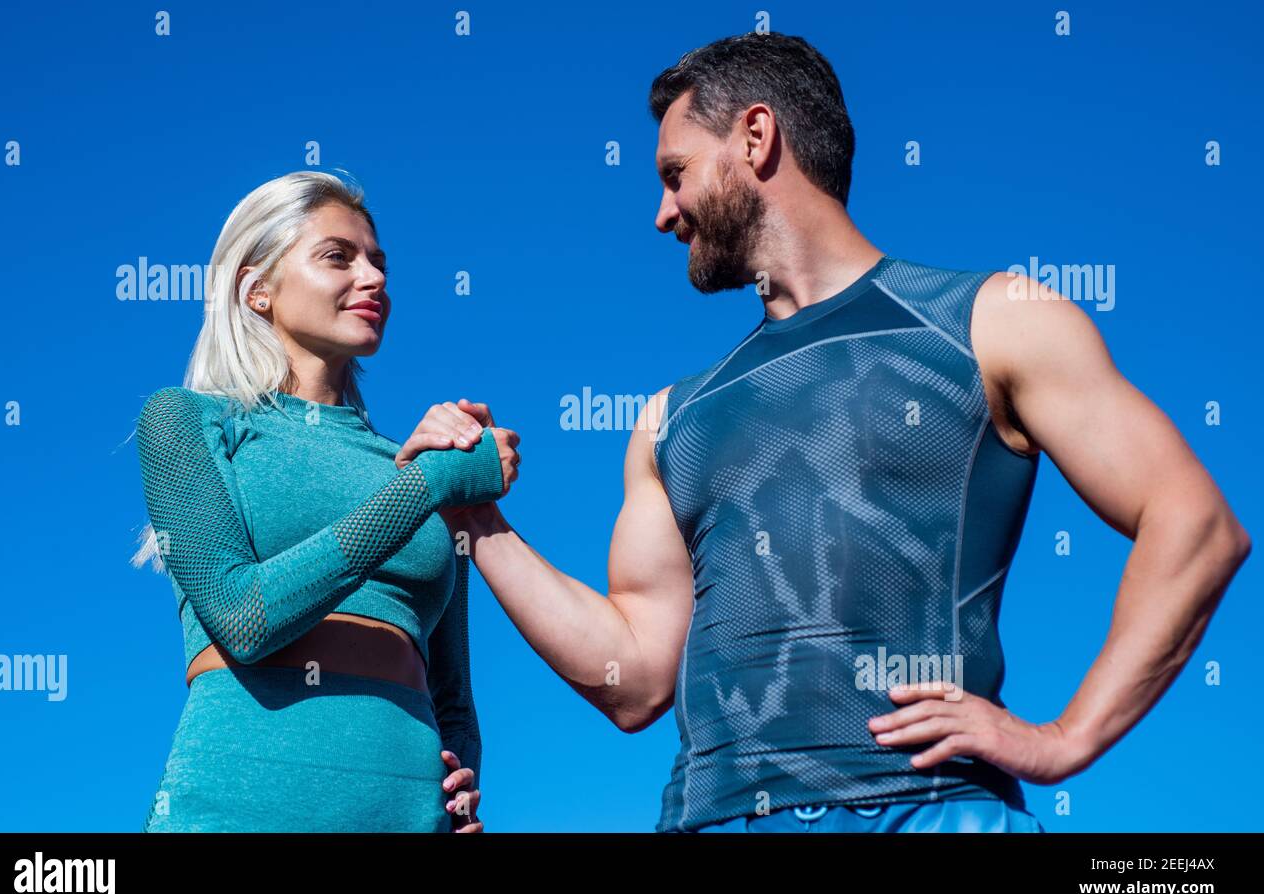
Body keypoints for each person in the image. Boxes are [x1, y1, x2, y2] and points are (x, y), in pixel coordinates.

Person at [412, 33, 1251, 833]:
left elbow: (1196, 526)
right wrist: (477, 525)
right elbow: (631, 681)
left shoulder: (991, 322)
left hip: (930, 808)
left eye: (675, 174)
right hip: (711, 816)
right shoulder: (671, 418)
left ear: (756, 136)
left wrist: (1064, 740)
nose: (663, 214)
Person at [129, 170, 520, 832]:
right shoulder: (187, 421)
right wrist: (428, 486)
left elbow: (451, 692)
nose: (373, 280)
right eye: (338, 257)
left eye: (378, 264)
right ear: (256, 289)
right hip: (241, 805)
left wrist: (460, 783)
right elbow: (243, 617)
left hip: (407, 814)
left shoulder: (409, 464)